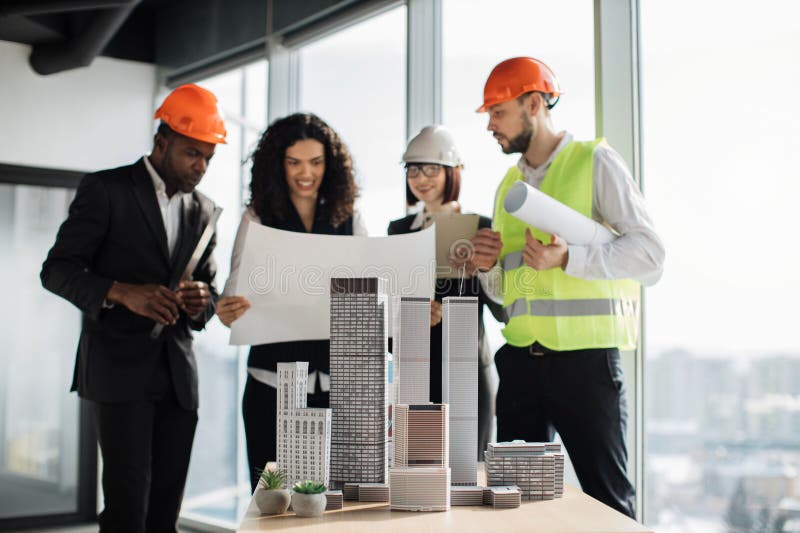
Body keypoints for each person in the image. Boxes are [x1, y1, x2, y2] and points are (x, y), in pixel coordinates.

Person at [466, 57, 665, 518]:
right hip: (519, 365)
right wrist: (487, 268)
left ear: (533, 104)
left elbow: (650, 253)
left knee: (608, 507)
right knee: (515, 509)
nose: (490, 125)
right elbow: (506, 295)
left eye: (498, 112)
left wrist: (570, 257)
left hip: (586, 368)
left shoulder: (593, 163)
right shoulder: (506, 187)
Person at [40, 84, 226, 532]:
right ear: (162, 141)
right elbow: (56, 270)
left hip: (178, 377)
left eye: (207, 158)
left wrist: (204, 300)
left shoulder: (204, 210)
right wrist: (121, 291)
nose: (200, 167)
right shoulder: (106, 189)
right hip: (117, 372)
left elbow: (211, 288)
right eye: (191, 154)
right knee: (127, 509)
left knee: (165, 509)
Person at [215, 113, 366, 492]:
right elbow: (235, 297)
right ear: (276, 165)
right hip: (271, 386)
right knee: (273, 502)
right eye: (294, 162)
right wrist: (227, 310)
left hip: (336, 389)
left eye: (316, 162)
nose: (306, 173)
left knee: (334, 502)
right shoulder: (257, 218)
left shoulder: (348, 218)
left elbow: (370, 292)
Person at [387, 125, 503, 460]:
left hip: (468, 368)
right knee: (418, 468)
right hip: (416, 370)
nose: (421, 178)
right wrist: (410, 312)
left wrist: (485, 268)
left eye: (431, 169)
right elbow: (389, 302)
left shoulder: (482, 226)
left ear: (452, 172)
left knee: (469, 470)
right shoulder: (397, 230)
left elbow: (501, 306)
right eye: (413, 169)